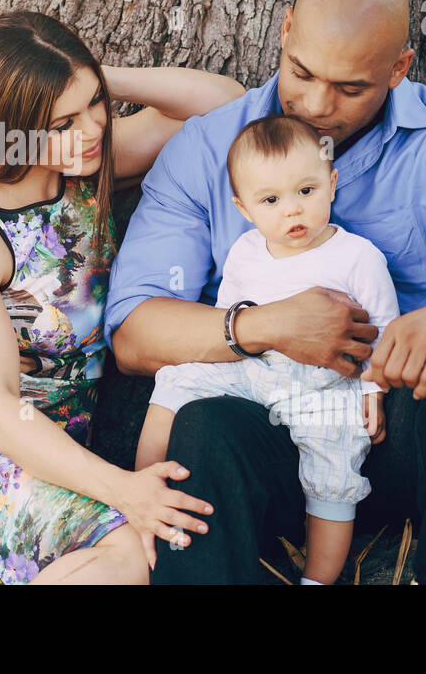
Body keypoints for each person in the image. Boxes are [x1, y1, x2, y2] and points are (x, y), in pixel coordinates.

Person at [106, 0, 426, 584]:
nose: (319, 105)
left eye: (350, 88)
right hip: (262, 438)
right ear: (286, 29)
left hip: (391, 435)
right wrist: (267, 327)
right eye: (302, 73)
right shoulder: (207, 149)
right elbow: (135, 333)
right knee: (205, 422)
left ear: (399, 69)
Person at [0, 10, 247, 583]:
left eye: (96, 104)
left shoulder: (85, 169)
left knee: (136, 556)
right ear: (13, 128)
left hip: (56, 449)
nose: (92, 128)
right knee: (128, 558)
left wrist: (84, 77)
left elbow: (225, 103)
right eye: (62, 121)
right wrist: (126, 490)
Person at [134, 114, 399, 584]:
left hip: (325, 383)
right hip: (254, 368)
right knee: (176, 379)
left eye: (306, 191)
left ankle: (318, 578)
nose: (292, 211)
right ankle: (148, 488)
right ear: (244, 208)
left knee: (334, 464)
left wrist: (373, 387)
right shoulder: (245, 253)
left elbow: (382, 325)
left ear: (331, 183)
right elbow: (225, 324)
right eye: (271, 200)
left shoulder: (358, 257)